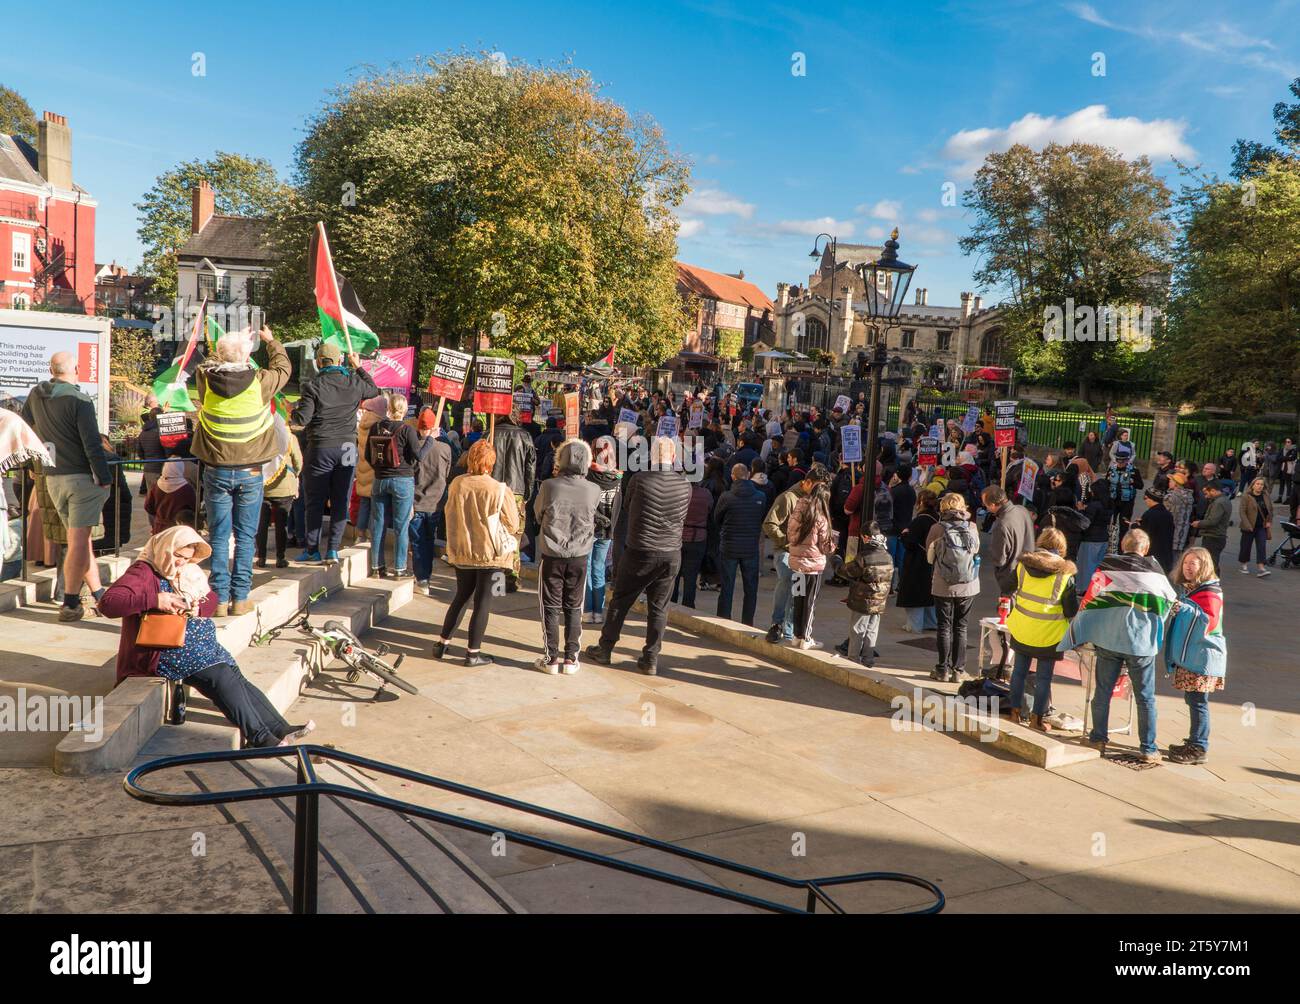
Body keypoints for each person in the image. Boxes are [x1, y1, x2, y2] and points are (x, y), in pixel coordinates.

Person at [97, 525, 313, 746]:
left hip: (194, 644)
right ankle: (260, 737)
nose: (181, 562)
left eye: (186, 558)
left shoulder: (188, 572)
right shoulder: (142, 571)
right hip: (162, 651)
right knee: (219, 676)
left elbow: (211, 599)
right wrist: (156, 600)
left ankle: (278, 727)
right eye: (177, 555)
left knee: (232, 673)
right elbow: (108, 604)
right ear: (164, 548)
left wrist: (195, 607)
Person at [191, 327, 292, 616]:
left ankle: (219, 600)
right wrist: (271, 341)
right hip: (250, 471)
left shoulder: (205, 380)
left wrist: (228, 350)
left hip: (216, 470)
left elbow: (210, 362)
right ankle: (241, 599)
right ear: (248, 356)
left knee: (220, 537)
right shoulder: (260, 382)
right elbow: (284, 368)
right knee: (246, 537)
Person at [1062, 528, 1176, 762]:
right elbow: (1168, 603)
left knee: (1102, 691)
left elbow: (1090, 600)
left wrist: (1083, 630)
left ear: (1124, 546)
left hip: (1109, 639)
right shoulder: (1155, 573)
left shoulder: (1108, 567)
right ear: (1145, 549)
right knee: (1145, 698)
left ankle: (1098, 738)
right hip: (1141, 644)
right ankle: (1148, 748)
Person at [585, 437, 692, 676]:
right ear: (673, 458)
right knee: (659, 607)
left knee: (620, 601)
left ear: (651, 457)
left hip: (640, 550)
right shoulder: (685, 485)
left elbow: (628, 506)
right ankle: (650, 658)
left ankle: (605, 648)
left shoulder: (640, 480)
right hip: (670, 553)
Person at [21, 350, 113, 621]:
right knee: (78, 543)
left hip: (52, 478)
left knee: (80, 542)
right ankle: (71, 603)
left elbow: (26, 428)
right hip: (80, 479)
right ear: (76, 368)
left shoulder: (37, 394)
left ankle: (98, 595)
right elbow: (91, 443)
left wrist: (37, 460)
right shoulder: (80, 399)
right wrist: (104, 476)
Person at [433, 439, 521, 666]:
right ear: (490, 463)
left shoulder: (456, 484)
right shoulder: (499, 489)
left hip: (462, 550)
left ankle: (442, 643)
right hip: (490, 553)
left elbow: (448, 515)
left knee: (461, 597)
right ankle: (473, 653)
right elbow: (512, 524)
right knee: (483, 602)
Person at [295, 341, 378, 562]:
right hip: (348, 447)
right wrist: (358, 366)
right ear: (339, 360)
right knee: (341, 499)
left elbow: (302, 419)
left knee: (315, 500)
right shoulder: (353, 382)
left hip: (321, 447)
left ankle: (312, 550)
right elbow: (374, 389)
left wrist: (292, 411)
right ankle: (333, 549)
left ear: (319, 362)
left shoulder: (313, 386)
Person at [532, 439, 600, 675]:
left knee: (550, 606)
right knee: (574, 606)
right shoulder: (594, 490)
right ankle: (571, 658)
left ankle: (551, 657)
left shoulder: (549, 486)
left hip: (552, 553)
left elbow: (538, 514)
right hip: (580, 554)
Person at [1005, 528, 1079, 733]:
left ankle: (1014, 713)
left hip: (1023, 628)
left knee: (1019, 672)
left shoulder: (1022, 566)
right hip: (1050, 633)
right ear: (1062, 549)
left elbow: (1006, 587)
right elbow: (1071, 610)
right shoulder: (1065, 575)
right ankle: (1037, 719)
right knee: (1044, 677)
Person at [1164, 547, 1227, 765]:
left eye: (1194, 564)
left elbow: (1208, 621)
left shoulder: (1210, 593)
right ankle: (1193, 741)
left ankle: (1199, 747)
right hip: (1194, 654)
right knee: (1193, 700)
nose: (1188, 568)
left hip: (1203, 657)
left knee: (1199, 702)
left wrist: (1184, 608)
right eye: (1185, 563)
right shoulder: (1194, 590)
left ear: (1204, 566)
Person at [926, 492, 981, 682]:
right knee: (961, 627)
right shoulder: (972, 526)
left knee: (944, 626)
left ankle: (942, 669)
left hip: (943, 584)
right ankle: (958, 670)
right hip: (968, 584)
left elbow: (929, 557)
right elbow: (976, 551)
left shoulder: (937, 528)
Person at [366, 394, 421, 578]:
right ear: (404, 409)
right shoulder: (407, 430)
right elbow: (417, 455)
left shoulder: (376, 427)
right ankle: (399, 568)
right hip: (402, 480)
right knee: (401, 526)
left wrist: (379, 470)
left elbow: (368, 455)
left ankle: (376, 567)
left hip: (380, 479)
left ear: (388, 407)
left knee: (378, 524)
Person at [786, 464, 835, 650]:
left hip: (797, 563)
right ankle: (806, 637)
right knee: (809, 602)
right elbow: (826, 545)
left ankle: (797, 636)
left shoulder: (799, 506)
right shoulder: (821, 517)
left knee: (798, 598)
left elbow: (790, 533)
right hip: (813, 566)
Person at [762, 467, 812, 643]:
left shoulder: (815, 500)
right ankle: (777, 623)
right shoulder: (788, 498)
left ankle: (790, 627)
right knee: (787, 579)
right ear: (807, 483)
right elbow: (769, 524)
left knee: (799, 589)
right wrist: (786, 541)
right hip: (786, 550)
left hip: (805, 554)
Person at [714, 463, 767, 626]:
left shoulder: (726, 497)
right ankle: (747, 621)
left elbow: (717, 519)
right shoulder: (760, 497)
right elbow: (761, 518)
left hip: (729, 546)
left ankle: (723, 620)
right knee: (751, 588)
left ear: (733, 476)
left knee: (727, 586)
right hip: (751, 547)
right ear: (749, 474)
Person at [491, 406, 537, 591]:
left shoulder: (491, 433)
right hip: (516, 492)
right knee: (514, 536)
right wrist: (527, 494)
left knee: (494, 534)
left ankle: (497, 582)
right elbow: (530, 468)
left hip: (493, 490)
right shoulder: (524, 436)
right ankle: (512, 577)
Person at [834, 522, 892, 667]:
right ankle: (868, 659)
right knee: (872, 629)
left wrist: (836, 562)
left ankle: (853, 659)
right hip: (880, 600)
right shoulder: (887, 555)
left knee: (857, 629)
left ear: (866, 537)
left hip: (863, 599)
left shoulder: (865, 556)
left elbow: (848, 571)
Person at [409, 407, 452, 593]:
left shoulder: (413, 448)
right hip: (436, 502)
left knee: (418, 542)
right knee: (428, 540)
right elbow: (447, 473)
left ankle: (422, 579)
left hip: (418, 502)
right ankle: (425, 577)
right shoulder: (445, 449)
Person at [585, 437, 622, 624]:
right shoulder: (618, 478)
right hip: (607, 530)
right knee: (598, 570)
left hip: (590, 527)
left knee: (588, 569)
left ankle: (587, 611)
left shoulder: (589, 476)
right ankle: (598, 613)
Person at [256, 429, 302, 570]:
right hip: (285, 485)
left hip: (263, 485)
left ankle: (261, 557)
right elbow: (298, 462)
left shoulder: (260, 434)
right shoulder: (289, 436)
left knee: (262, 524)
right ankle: (280, 558)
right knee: (282, 525)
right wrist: (296, 476)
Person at [897, 489, 940, 633]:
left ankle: (914, 625)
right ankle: (931, 622)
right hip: (933, 561)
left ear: (921, 502)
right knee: (928, 592)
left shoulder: (919, 520)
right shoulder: (938, 519)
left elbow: (911, 543)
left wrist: (904, 536)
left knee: (914, 592)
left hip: (917, 561)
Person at [672, 479, 712, 607]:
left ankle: (672, 601)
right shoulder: (706, 494)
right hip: (698, 538)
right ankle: (688, 604)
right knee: (691, 575)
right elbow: (710, 511)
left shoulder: (680, 492)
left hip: (679, 536)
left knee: (675, 573)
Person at [1075, 480, 1111, 588]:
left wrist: (1081, 510)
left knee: (1086, 566)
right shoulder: (1109, 504)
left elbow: (1085, 522)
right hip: (1103, 537)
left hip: (1091, 538)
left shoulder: (1094, 505)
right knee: (1097, 566)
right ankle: (1096, 588)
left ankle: (1085, 588)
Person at [144, 460, 197, 535]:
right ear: (180, 468)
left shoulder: (156, 486)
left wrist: (158, 516)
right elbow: (194, 508)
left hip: (160, 527)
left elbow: (148, 506)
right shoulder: (187, 488)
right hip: (179, 528)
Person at [1236, 477, 1272, 577]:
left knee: (1261, 546)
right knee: (1246, 546)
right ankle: (1244, 565)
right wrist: (1248, 525)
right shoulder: (1246, 496)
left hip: (1262, 526)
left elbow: (1270, 510)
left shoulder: (1265, 495)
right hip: (1249, 526)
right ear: (1253, 485)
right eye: (1258, 484)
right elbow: (1242, 512)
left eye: (1262, 484)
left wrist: (1269, 521)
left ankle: (1261, 568)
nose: (1260, 486)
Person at [1192, 481, 1230, 573]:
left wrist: (1199, 523)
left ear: (1213, 490)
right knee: (1211, 562)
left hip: (1213, 537)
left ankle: (1212, 583)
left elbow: (1212, 521)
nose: (1205, 496)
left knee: (1211, 563)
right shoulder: (1223, 500)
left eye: (1206, 493)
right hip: (1216, 536)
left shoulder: (1218, 503)